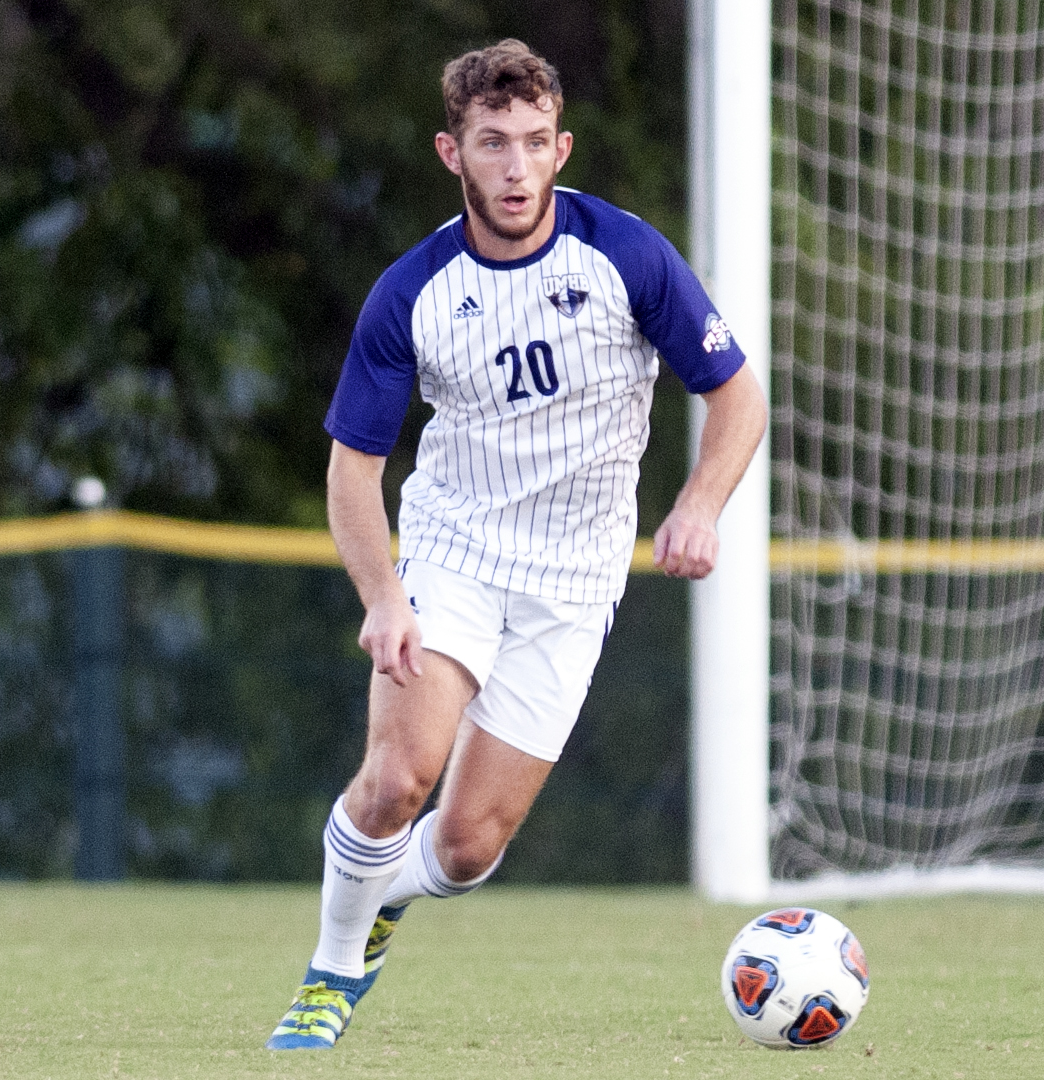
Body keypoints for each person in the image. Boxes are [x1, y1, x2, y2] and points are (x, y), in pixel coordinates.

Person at [266, 38, 767, 1050]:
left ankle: (389, 897)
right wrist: (383, 598)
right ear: (452, 152)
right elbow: (351, 473)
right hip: (454, 554)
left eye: (535, 142)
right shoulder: (411, 291)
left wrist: (702, 504)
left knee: (463, 850)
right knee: (399, 776)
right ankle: (328, 970)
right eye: (493, 142)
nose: (515, 165)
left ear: (562, 147)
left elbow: (738, 397)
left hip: (577, 582)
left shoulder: (626, 255)